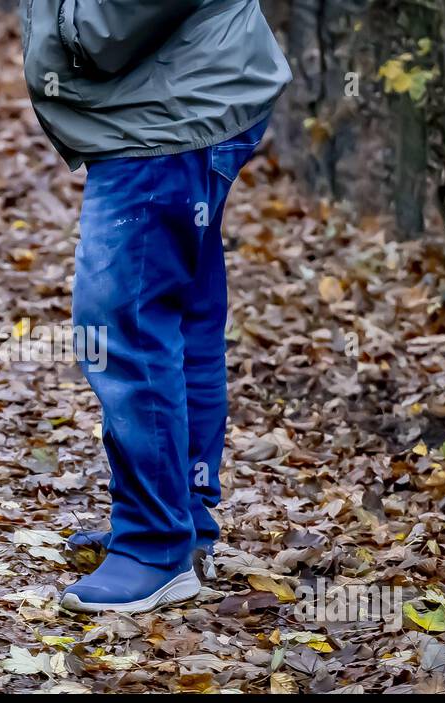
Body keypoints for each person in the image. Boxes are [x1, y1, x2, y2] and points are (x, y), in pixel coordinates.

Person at [19, 0, 292, 613]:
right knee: (179, 322)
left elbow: (109, 27)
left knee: (126, 328)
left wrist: (69, 23)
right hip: (188, 98)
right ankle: (184, 526)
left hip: (165, 118)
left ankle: (155, 547)